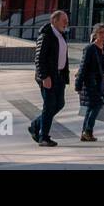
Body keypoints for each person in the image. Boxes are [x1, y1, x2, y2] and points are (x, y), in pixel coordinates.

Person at [29, 10, 69, 147]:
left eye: (66, 20)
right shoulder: (46, 36)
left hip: (59, 77)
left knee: (59, 104)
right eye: (64, 20)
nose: (66, 23)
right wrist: (44, 77)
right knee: (49, 105)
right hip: (48, 77)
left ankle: (35, 125)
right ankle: (43, 137)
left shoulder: (62, 35)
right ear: (54, 21)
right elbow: (39, 59)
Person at [75, 24, 104, 142]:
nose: (103, 34)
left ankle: (85, 132)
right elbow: (83, 66)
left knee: (91, 107)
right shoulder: (89, 48)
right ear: (95, 34)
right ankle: (87, 131)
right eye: (100, 32)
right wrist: (78, 84)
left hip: (99, 82)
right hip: (89, 82)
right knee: (97, 105)